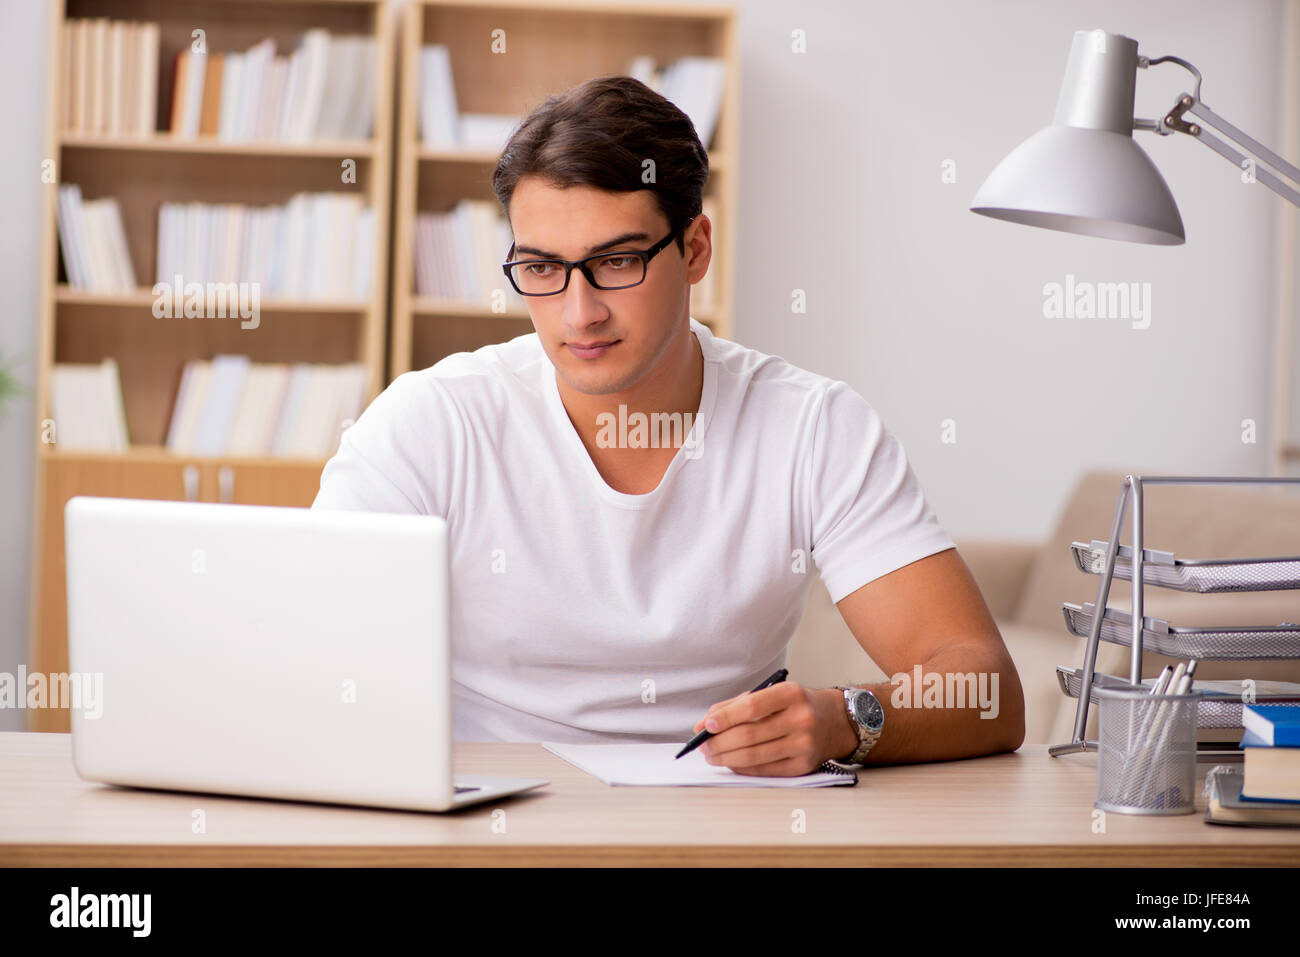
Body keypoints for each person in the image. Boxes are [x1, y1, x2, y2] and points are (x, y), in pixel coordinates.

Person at [313, 75, 1024, 775]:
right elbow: (301, 648)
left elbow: (984, 687)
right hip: (484, 821)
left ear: (695, 249)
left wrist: (845, 717)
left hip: (717, 823)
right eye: (540, 268)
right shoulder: (433, 422)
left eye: (617, 261)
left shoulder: (811, 427)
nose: (578, 312)